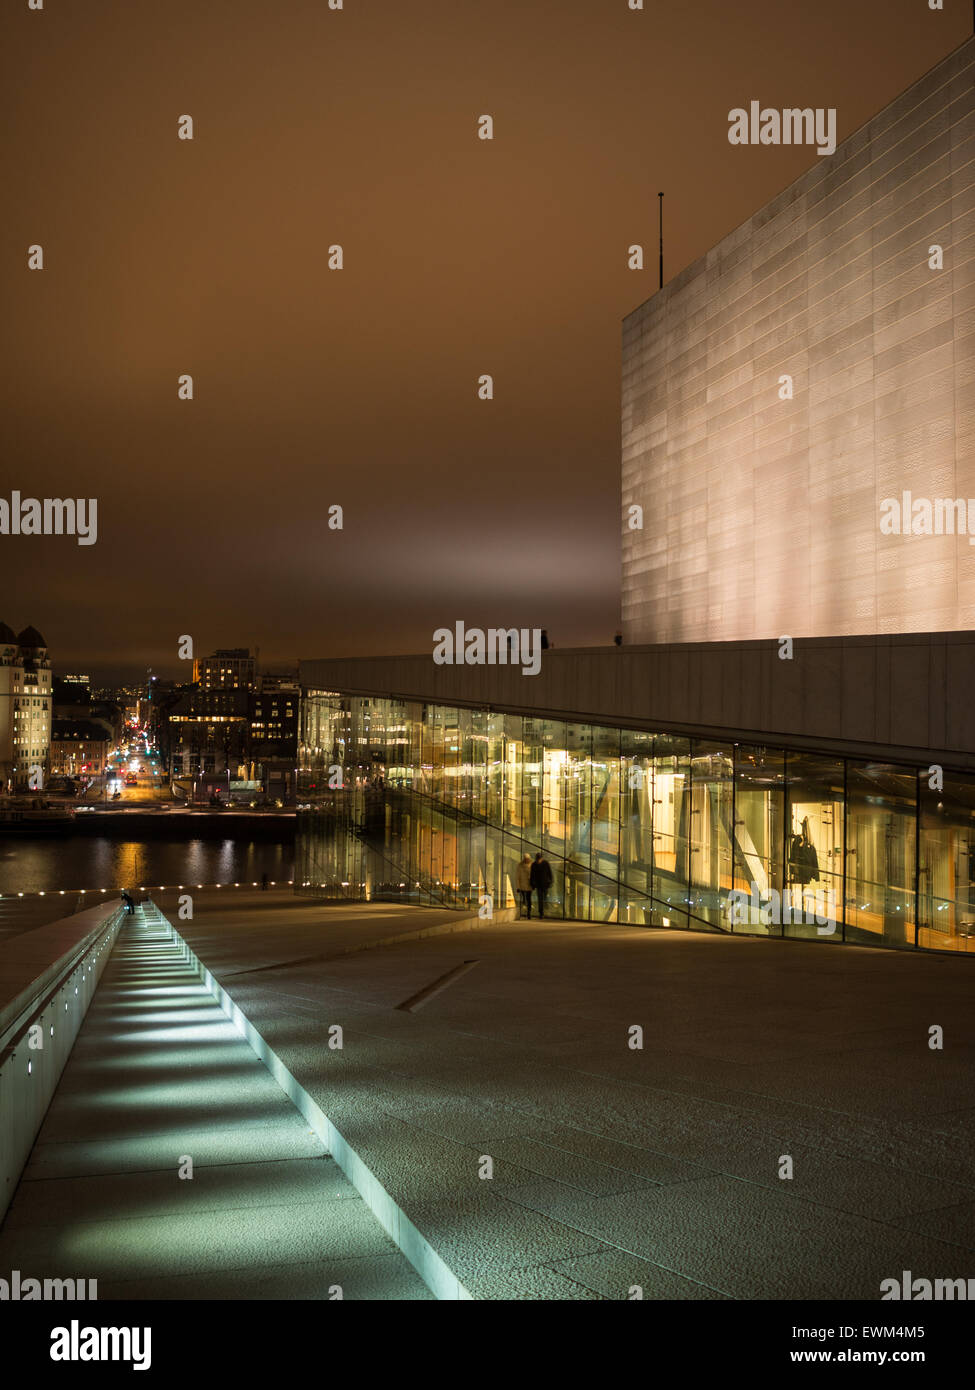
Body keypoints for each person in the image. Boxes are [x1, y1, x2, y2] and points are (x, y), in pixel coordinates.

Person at [530, 851, 553, 918]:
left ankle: (544, 910)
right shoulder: (535, 864)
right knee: (540, 898)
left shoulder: (544, 863)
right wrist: (532, 884)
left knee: (544, 897)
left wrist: (551, 880)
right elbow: (532, 875)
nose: (538, 860)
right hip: (540, 884)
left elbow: (549, 873)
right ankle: (541, 912)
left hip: (544, 884)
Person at [515, 853, 532, 919]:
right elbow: (517, 877)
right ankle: (524, 912)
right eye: (526, 859)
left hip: (529, 885)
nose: (527, 860)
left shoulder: (532, 865)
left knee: (528, 899)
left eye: (527, 859)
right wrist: (518, 887)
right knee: (524, 900)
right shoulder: (520, 865)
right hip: (522, 886)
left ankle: (528, 913)